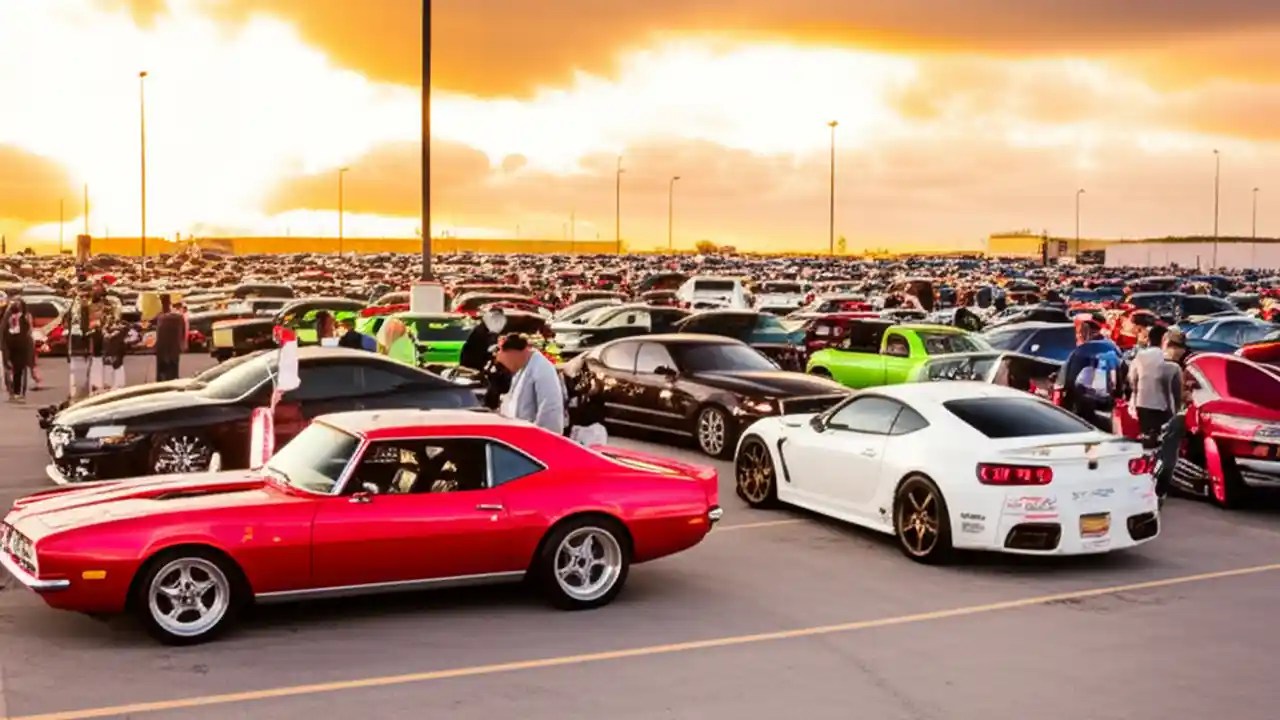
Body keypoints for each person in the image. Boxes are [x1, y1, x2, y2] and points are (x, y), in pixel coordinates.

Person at [1055, 317, 1122, 430]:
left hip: (1081, 407)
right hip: (1107, 405)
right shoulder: (1111, 350)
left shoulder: (1079, 353)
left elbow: (1068, 381)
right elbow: (1120, 378)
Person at [494, 333, 566, 435]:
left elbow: (550, 409)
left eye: (505, 362)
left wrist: (543, 439)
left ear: (513, 353)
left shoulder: (542, 369)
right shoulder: (522, 368)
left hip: (537, 440)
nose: (507, 367)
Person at [1127, 326, 1183, 449]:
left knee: (1146, 438)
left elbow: (1132, 379)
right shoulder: (1167, 359)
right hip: (1163, 407)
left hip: (1142, 405)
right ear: (1164, 339)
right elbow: (1177, 391)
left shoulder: (1140, 356)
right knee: (1163, 442)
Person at [2, 298, 34, 402]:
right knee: (9, 369)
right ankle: (11, 392)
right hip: (9, 347)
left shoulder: (25, 317)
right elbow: (2, 330)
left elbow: (29, 331)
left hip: (22, 347)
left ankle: (18, 392)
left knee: (19, 370)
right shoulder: (8, 317)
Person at [153, 294, 186, 382]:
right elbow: (182, 332)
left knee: (163, 368)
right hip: (173, 347)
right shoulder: (178, 318)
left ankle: (163, 382)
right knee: (173, 368)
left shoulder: (161, 317)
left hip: (163, 347)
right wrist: (182, 344)